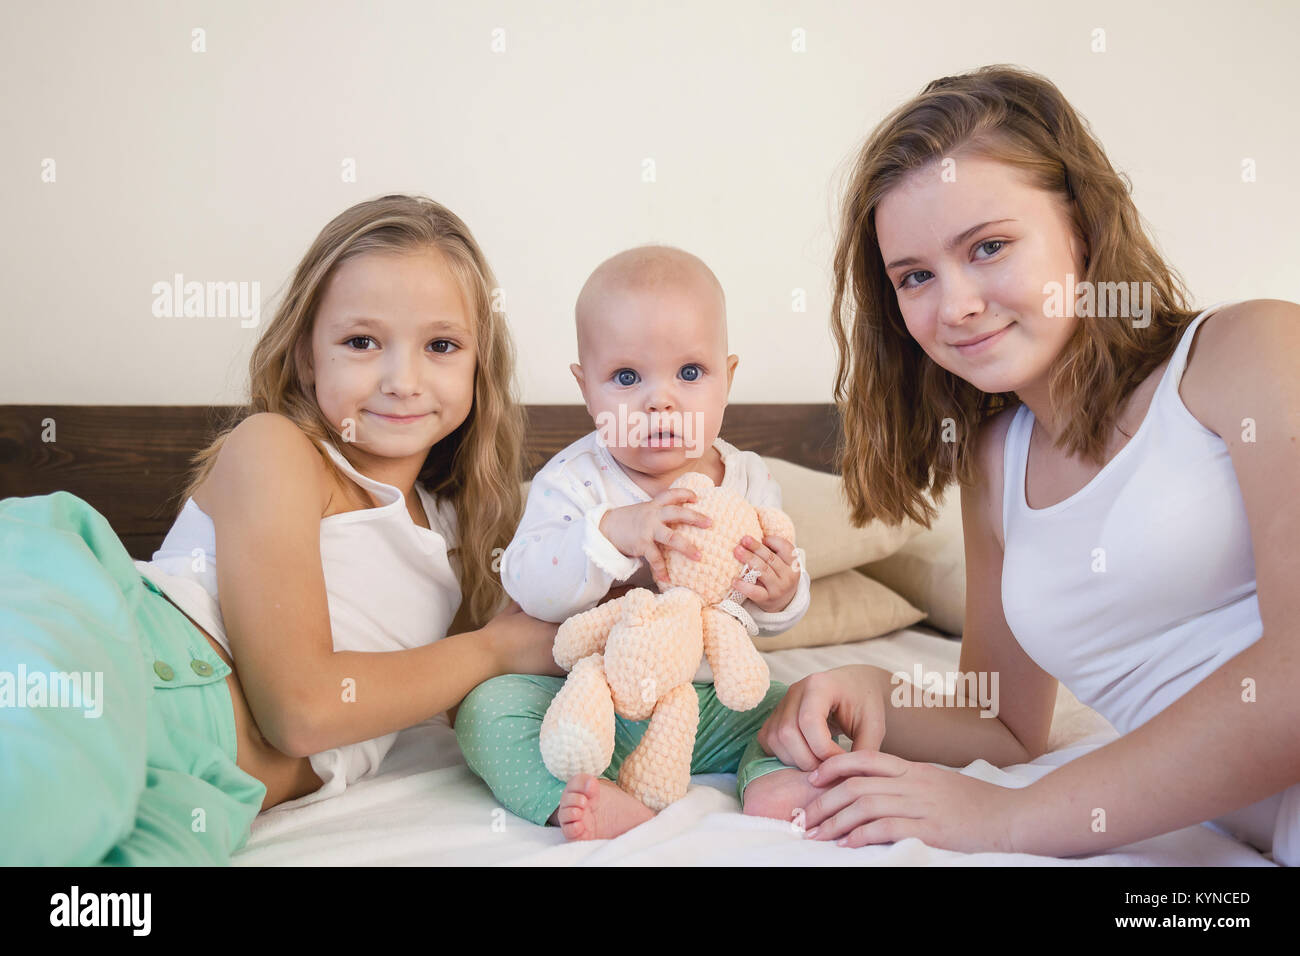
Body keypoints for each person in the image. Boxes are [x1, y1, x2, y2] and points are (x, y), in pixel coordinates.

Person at [742, 65, 1300, 864]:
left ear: (1082, 224)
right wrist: (874, 691)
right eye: (915, 276)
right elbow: (1005, 725)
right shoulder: (995, 462)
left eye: (990, 247)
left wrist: (1009, 819)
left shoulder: (1253, 351)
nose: (956, 305)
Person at [0, 194, 560, 865]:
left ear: (478, 364)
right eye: (361, 342)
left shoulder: (464, 536)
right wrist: (492, 651)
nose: (402, 380)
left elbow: (587, 551)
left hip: (201, 786)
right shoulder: (277, 451)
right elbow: (300, 711)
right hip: (120, 656)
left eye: (441, 345)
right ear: (306, 357)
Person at [454, 245, 812, 840]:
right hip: (587, 700)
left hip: (704, 705)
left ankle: (770, 778)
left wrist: (781, 595)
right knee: (486, 713)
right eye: (626, 377)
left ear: (728, 378)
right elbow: (527, 583)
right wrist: (611, 534)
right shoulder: (574, 480)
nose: (659, 401)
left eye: (690, 373)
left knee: (796, 706)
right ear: (586, 389)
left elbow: (762, 605)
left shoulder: (748, 480)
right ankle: (578, 797)